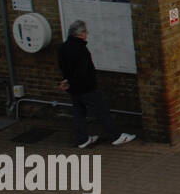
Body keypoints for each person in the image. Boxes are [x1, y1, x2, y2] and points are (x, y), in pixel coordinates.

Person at [57, 20, 135, 148]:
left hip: (73, 88)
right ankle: (115, 136)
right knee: (101, 111)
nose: (86, 34)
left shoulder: (63, 47)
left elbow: (64, 67)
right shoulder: (81, 49)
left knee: (78, 113)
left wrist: (68, 81)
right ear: (81, 33)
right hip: (87, 87)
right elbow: (82, 71)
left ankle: (82, 139)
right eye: (85, 32)